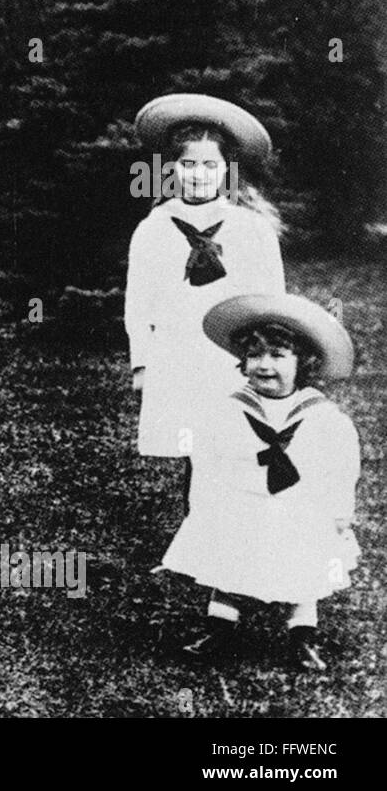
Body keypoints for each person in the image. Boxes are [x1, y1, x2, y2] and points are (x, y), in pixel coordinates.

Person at [157, 293, 360, 671]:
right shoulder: (227, 410)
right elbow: (206, 459)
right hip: (240, 502)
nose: (263, 365)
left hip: (300, 508)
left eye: (278, 356)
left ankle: (303, 637)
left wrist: (338, 511)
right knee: (230, 561)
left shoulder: (324, 418)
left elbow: (341, 466)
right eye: (254, 355)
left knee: (306, 569)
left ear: (305, 363)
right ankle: (219, 628)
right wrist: (204, 505)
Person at [125, 94, 286, 490]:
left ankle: (238, 535)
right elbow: (139, 302)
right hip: (177, 357)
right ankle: (197, 535)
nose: (199, 175)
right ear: (172, 168)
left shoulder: (251, 229)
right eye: (188, 164)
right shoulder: (154, 228)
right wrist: (142, 364)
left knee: (236, 447)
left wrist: (268, 358)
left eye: (210, 165)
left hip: (231, 357)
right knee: (194, 450)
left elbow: (272, 300)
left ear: (226, 169)